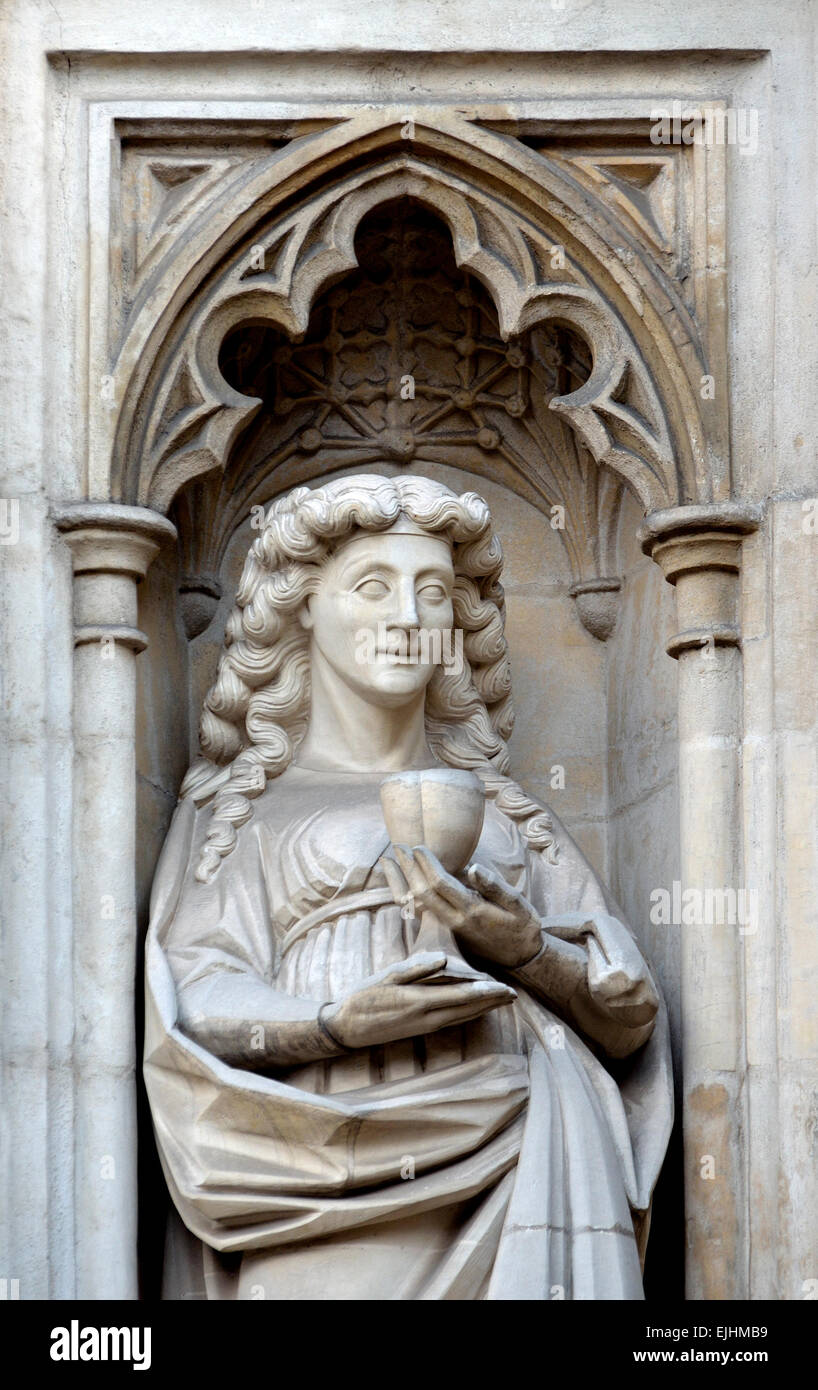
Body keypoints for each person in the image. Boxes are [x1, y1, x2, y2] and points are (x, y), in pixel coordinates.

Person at [144, 471, 672, 1300]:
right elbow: (192, 995)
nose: (407, 618)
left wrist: (529, 950)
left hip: (518, 1139)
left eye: (433, 593)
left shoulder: (512, 818)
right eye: (373, 587)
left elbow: (628, 1013)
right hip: (321, 1163)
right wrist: (330, 1024)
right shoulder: (244, 809)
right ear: (304, 606)